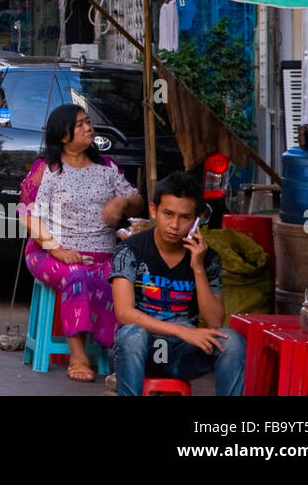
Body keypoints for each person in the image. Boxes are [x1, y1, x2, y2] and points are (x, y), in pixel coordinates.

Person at [19, 104, 144, 382]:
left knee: (129, 279)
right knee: (77, 277)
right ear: (63, 136)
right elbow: (30, 218)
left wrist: (122, 203)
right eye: (80, 124)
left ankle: (128, 353)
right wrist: (58, 251)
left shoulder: (106, 168)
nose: (89, 127)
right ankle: (77, 355)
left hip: (103, 257)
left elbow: (138, 202)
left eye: (88, 122)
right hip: (49, 254)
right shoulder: (49, 170)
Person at [110, 170, 246, 396]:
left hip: (185, 355)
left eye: (184, 218)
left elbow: (214, 320)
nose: (174, 225)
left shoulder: (208, 258)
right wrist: (183, 332)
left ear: (197, 219)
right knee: (131, 334)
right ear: (154, 210)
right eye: (168, 214)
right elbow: (124, 314)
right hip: (140, 352)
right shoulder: (130, 250)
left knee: (231, 341)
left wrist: (198, 267)